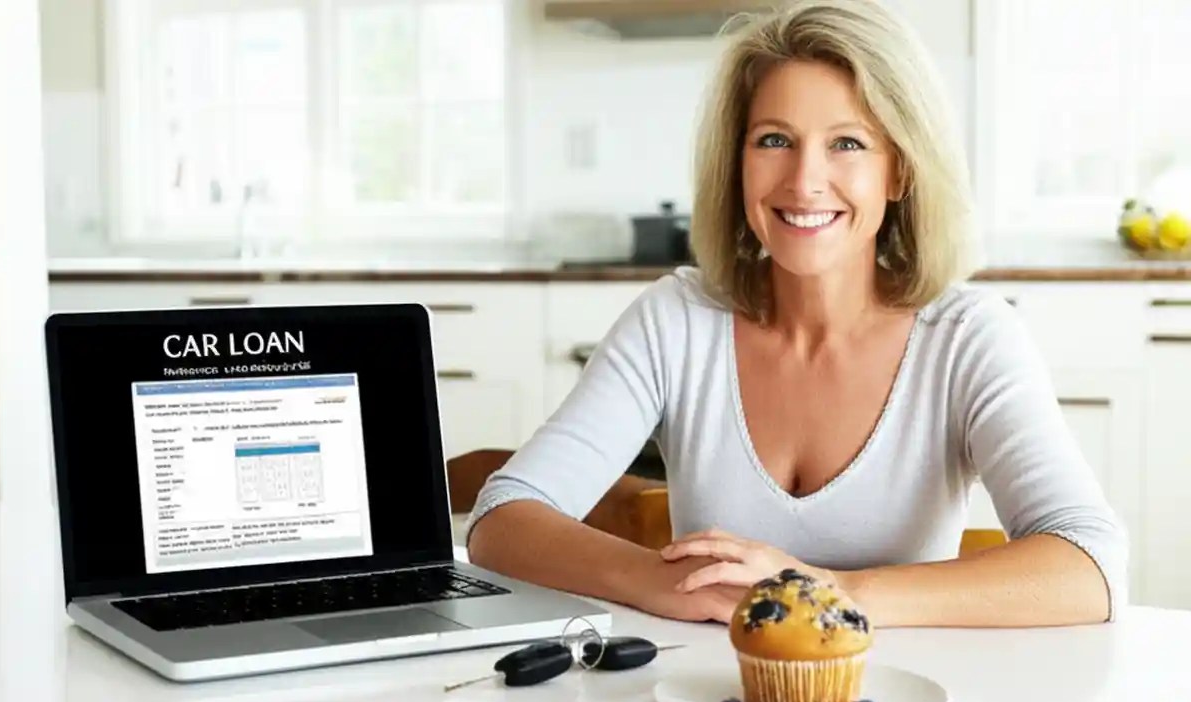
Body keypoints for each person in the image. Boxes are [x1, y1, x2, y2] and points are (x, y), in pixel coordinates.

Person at [465, 0, 1126, 628]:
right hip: (710, 689)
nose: (804, 180)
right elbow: (502, 518)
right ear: (738, 163)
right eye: (774, 140)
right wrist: (665, 584)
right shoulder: (676, 321)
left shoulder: (966, 338)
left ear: (899, 172)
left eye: (847, 144)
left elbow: (1091, 564)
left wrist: (826, 592)